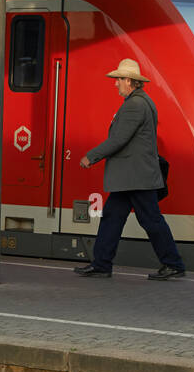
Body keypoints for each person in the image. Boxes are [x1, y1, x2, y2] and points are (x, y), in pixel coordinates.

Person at [74, 58, 187, 280]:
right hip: (130, 177)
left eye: (118, 80)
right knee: (113, 217)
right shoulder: (141, 101)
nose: (115, 84)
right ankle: (102, 264)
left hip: (136, 177)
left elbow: (118, 139)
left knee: (151, 220)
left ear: (129, 80)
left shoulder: (135, 105)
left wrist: (91, 156)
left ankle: (173, 263)